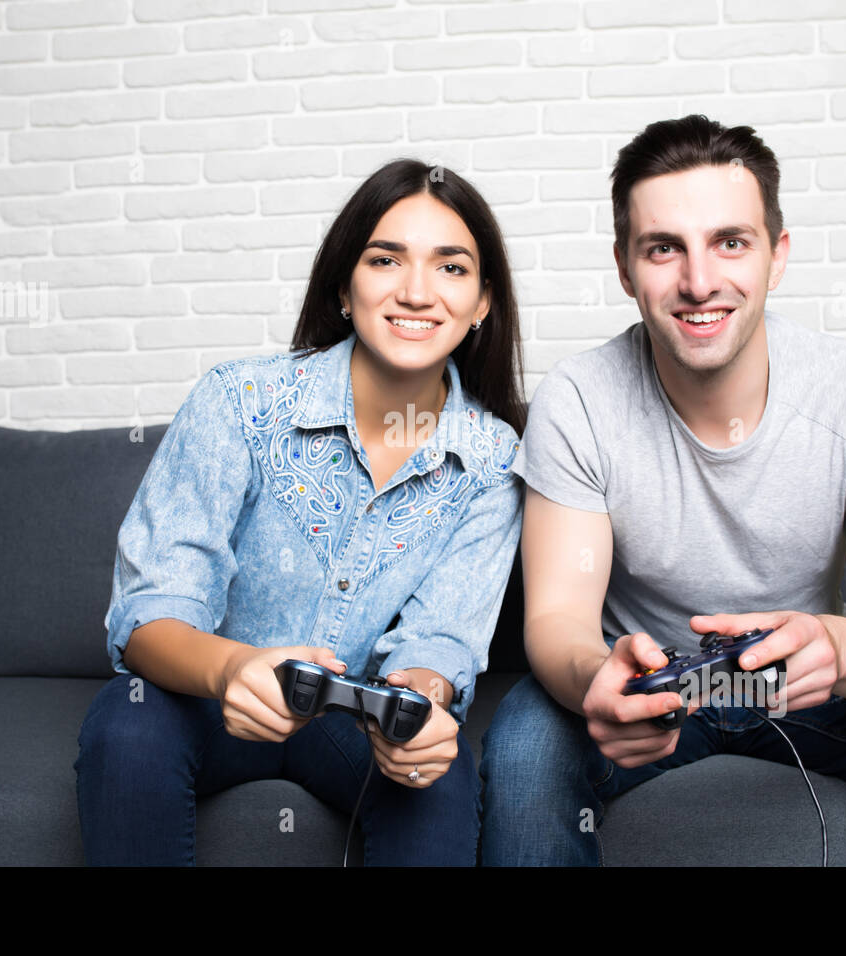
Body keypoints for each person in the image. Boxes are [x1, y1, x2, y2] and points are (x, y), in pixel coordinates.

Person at [479, 114, 846, 866]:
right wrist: (595, 679)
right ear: (624, 268)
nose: (699, 281)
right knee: (523, 749)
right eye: (664, 248)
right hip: (650, 685)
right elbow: (556, 620)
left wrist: (839, 646)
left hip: (816, 686)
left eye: (730, 242)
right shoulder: (578, 399)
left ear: (778, 256)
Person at [75, 158, 526, 866]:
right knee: (126, 722)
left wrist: (419, 702)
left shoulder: (494, 460)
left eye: (450, 267)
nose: (416, 291)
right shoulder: (237, 401)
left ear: (482, 302)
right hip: (205, 696)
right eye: (385, 259)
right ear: (345, 287)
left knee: (438, 775)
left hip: (353, 720)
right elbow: (150, 612)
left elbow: (440, 638)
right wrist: (233, 669)